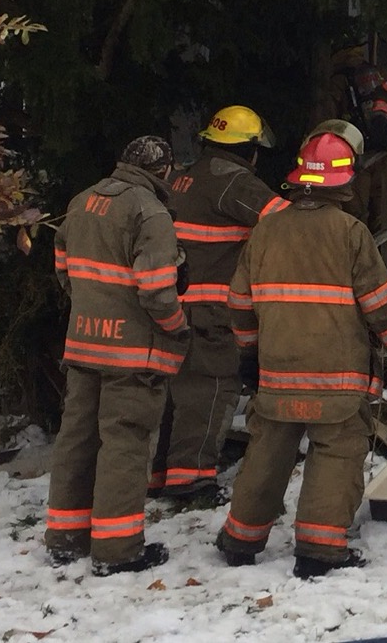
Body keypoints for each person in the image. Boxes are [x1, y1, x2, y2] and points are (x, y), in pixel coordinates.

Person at [215, 122, 387, 578]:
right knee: (336, 453)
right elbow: (379, 303)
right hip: (337, 380)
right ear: (346, 180)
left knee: (267, 452)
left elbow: (240, 303)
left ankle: (240, 540)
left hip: (277, 375)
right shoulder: (350, 232)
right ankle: (320, 550)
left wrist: (249, 354)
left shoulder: (265, 232)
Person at [45, 135, 190, 576]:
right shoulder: (150, 212)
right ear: (164, 170)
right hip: (133, 354)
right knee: (124, 445)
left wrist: (92, 310)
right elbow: (157, 291)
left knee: (77, 438)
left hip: (83, 344)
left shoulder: (82, 201)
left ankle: (66, 539)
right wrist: (178, 330)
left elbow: (63, 270)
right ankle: (117, 549)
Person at [152, 105, 288, 507]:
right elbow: (288, 226)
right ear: (249, 149)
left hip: (170, 306)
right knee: (210, 391)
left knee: (173, 392)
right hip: (210, 311)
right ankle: (191, 481)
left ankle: (160, 473)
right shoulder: (234, 182)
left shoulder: (182, 179)